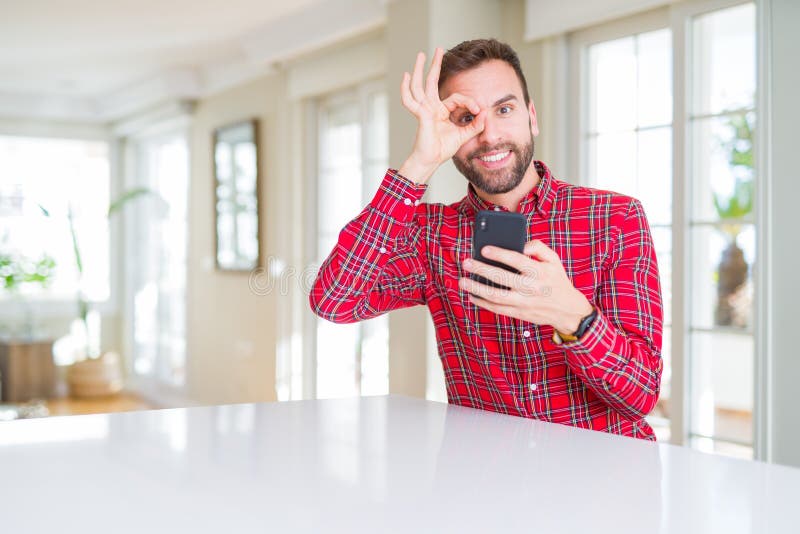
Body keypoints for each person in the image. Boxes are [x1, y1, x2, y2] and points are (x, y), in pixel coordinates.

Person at [310, 38, 663, 440]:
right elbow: (334, 300)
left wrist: (572, 316)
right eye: (465, 118)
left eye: (505, 109)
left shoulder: (614, 219)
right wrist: (419, 165)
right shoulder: (432, 235)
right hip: (485, 485)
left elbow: (640, 396)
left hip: (606, 485)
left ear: (532, 116)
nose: (489, 135)